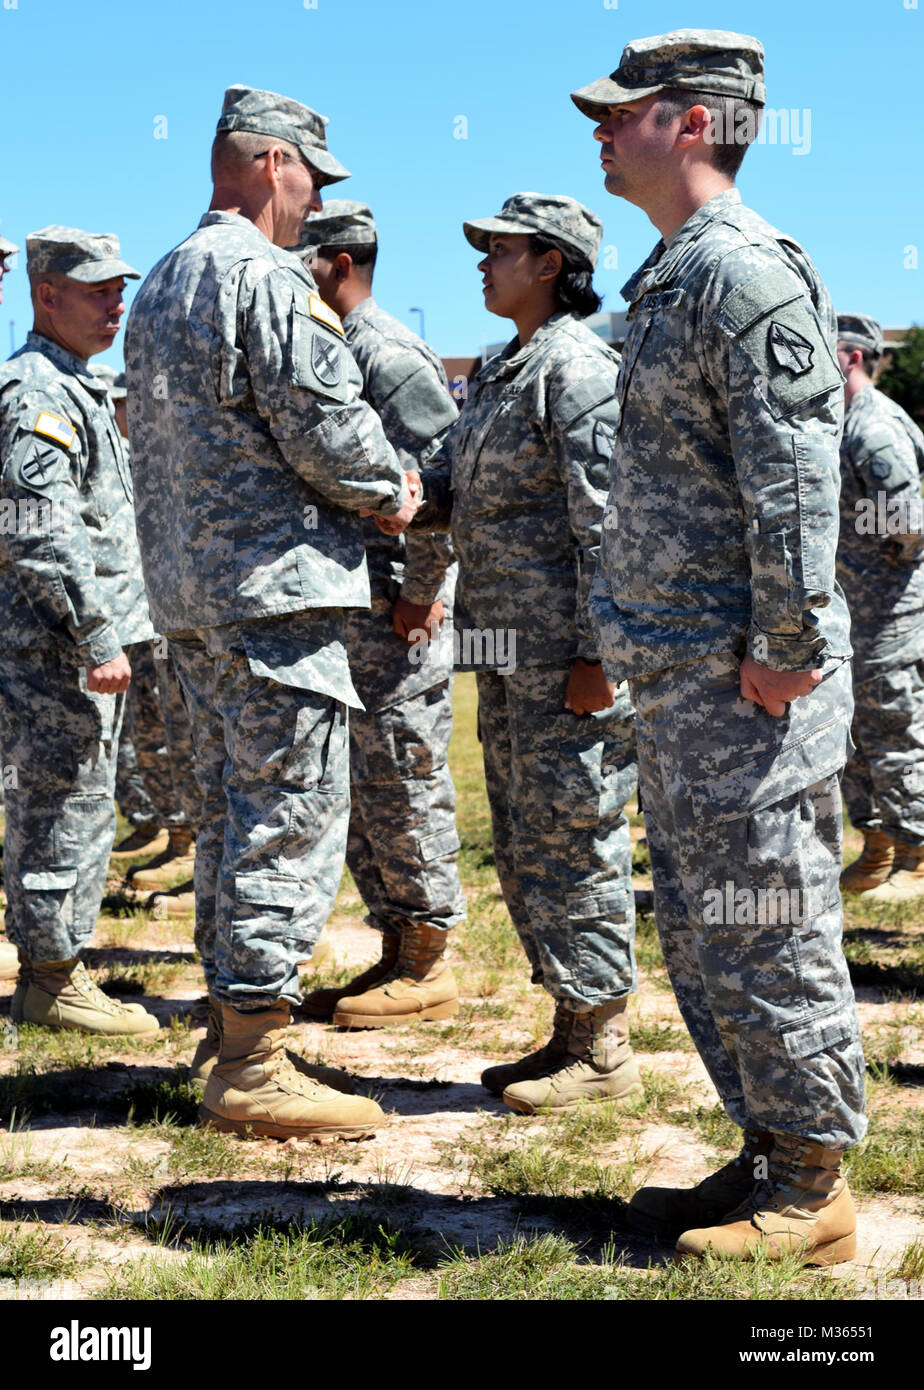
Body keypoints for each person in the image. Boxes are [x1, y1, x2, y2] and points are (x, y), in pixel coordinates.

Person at [572, 29, 866, 1262]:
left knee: (770, 922)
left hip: (747, 680)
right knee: (708, 933)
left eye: (622, 110)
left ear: (695, 121)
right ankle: (765, 1150)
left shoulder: (744, 271)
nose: (600, 129)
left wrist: (788, 640)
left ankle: (811, 1188)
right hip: (683, 674)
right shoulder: (671, 277)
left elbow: (794, 475)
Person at [126, 86, 419, 1140]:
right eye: (310, 178)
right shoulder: (264, 277)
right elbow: (326, 425)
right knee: (287, 814)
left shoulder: (162, 280)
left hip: (195, 601)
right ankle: (254, 1057)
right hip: (274, 597)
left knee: (228, 815)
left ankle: (228, 1029)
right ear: (269, 163)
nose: (316, 203)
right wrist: (391, 487)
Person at [402, 193, 641, 1114]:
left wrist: (598, 655)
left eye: (499, 249)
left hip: (564, 663)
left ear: (551, 263)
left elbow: (608, 526)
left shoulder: (577, 370)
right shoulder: (507, 367)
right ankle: (572, 1027)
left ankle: (606, 1045)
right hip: (506, 656)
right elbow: (455, 492)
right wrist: (405, 511)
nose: (482, 263)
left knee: (577, 839)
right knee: (526, 843)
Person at [292, 201, 467, 1027]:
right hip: (358, 611)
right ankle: (396, 945)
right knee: (368, 784)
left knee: (403, 773)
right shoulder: (334, 348)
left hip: (398, 611)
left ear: (339, 262)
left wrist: (422, 592)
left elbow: (444, 485)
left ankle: (427, 958)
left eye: (302, 258)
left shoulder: (387, 354)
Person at [0, 226, 158, 1036]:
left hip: (72, 644)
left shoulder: (77, 385)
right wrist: (96, 636)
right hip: (55, 649)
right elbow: (41, 532)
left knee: (79, 802)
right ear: (46, 295)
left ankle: (52, 968)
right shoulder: (37, 393)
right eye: (96, 292)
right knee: (62, 805)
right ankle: (53, 979)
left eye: (118, 291)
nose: (114, 305)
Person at [834, 313, 924, 899]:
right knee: (854, 738)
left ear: (850, 357)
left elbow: (910, 526)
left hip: (887, 617)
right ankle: (878, 846)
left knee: (894, 734)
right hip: (850, 617)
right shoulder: (836, 423)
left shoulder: (874, 428)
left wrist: (875, 560)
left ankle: (917, 855)